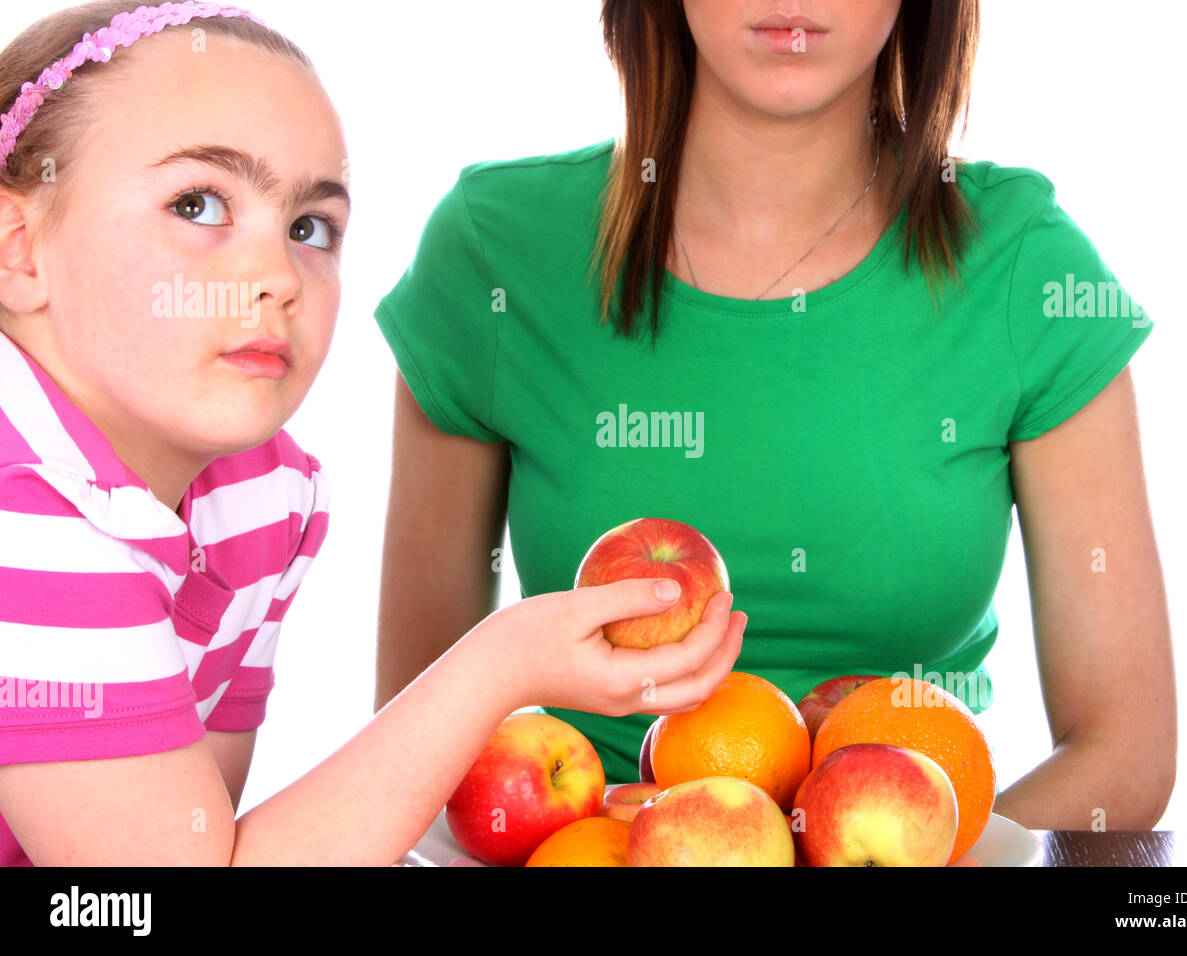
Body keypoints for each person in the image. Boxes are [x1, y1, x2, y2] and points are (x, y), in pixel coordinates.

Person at [372, 0, 1175, 829]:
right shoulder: (496, 252)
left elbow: (1125, 756)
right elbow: (405, 750)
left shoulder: (1028, 266)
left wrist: (935, 851)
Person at [0, 0, 745, 867]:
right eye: (198, 203)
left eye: (310, 227)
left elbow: (209, 840)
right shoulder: (25, 517)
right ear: (19, 250)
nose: (277, 275)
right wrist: (498, 664)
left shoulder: (258, 492)